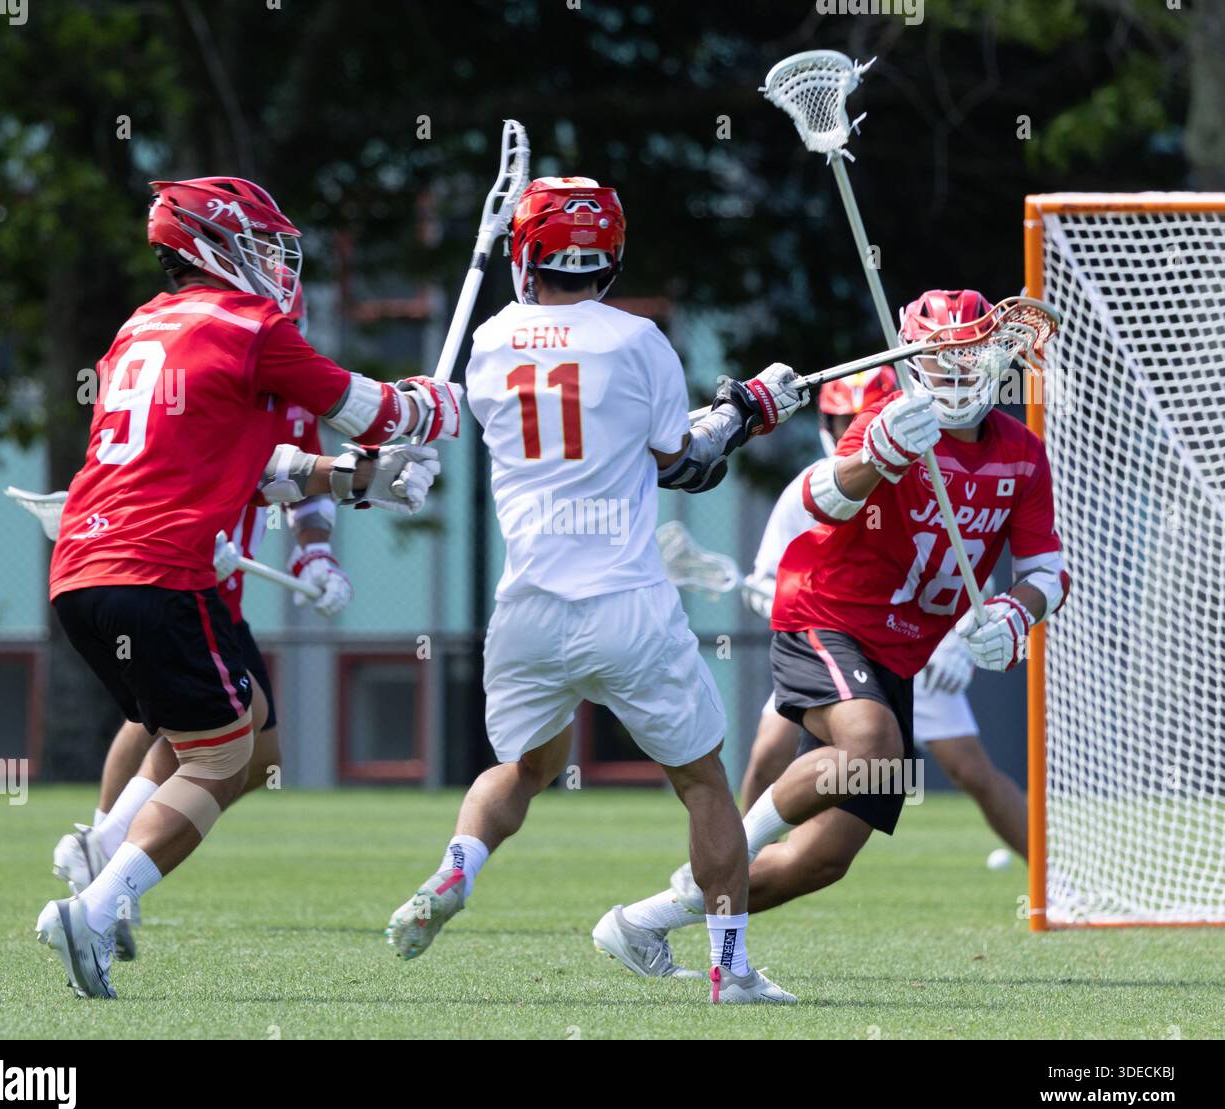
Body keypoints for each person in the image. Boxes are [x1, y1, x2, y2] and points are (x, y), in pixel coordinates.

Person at [385, 176, 807, 1003]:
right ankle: (730, 969)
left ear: (526, 254)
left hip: (529, 606)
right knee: (703, 784)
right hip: (626, 603)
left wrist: (730, 415)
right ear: (609, 256)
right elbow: (680, 461)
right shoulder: (637, 339)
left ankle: (453, 873)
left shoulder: (492, 341)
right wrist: (747, 409)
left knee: (523, 767)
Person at [36, 176, 451, 999]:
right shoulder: (253, 328)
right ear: (211, 245)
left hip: (84, 571)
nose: (274, 266)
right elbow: (373, 411)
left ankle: (104, 848)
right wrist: (431, 408)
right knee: (223, 758)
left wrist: (355, 481)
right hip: (165, 571)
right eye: (261, 246)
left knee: (252, 732)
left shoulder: (138, 329)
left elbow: (240, 464)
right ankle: (93, 903)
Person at [599, 289, 1070, 976]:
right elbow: (823, 500)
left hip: (899, 654)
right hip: (827, 616)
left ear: (999, 357)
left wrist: (1014, 611)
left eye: (973, 355)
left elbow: (1048, 569)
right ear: (915, 361)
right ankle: (728, 853)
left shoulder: (1023, 453)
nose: (960, 371)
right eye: (944, 357)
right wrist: (876, 454)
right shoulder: (890, 420)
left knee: (826, 858)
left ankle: (646, 921)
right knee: (867, 745)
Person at [49, 290, 357, 964]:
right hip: (178, 567)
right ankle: (105, 853)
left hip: (209, 577)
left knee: (243, 746)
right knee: (197, 732)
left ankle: (107, 854)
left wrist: (317, 552)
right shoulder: (217, 359)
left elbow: (298, 478)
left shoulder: (277, 372)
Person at [739, 361, 1027, 859]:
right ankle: (741, 856)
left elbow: (968, 561)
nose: (855, 426)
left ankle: (1048, 877)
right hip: (832, 641)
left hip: (919, 652)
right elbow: (772, 580)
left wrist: (959, 641)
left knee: (970, 769)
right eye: (842, 418)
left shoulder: (936, 475)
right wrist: (771, 597)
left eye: (866, 414)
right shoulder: (814, 485)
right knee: (768, 751)